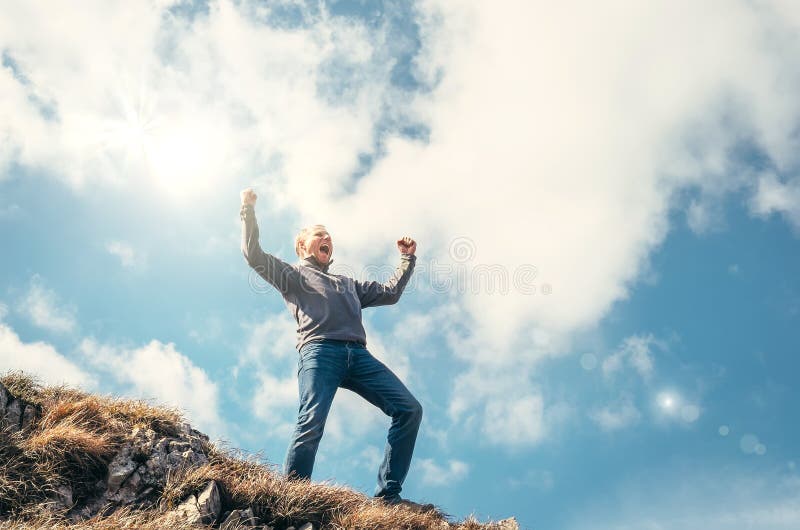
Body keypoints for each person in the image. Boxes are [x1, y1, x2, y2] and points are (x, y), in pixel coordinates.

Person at [239, 188, 430, 510]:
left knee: (409, 410)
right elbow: (253, 254)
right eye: (319, 235)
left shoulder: (348, 284)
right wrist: (248, 209)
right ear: (302, 246)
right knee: (311, 421)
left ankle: (388, 497)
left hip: (358, 356)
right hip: (319, 351)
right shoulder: (293, 275)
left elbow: (391, 293)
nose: (327, 239)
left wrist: (407, 259)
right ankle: (293, 494)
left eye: (329, 236)